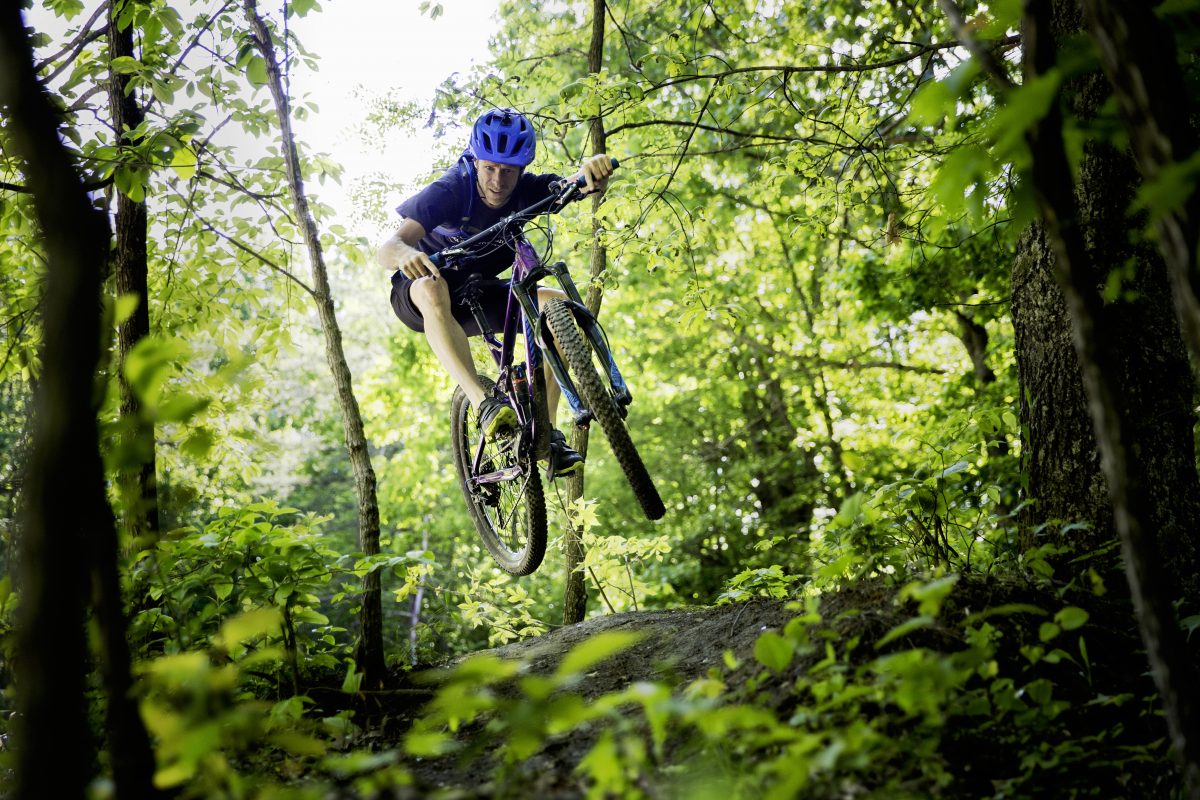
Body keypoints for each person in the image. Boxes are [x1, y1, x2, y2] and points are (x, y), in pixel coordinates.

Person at [378, 107, 615, 478]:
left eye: (508, 171)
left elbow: (577, 184)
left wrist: (594, 171)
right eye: (489, 168)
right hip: (420, 294)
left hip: (478, 293)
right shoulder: (452, 189)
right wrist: (407, 254)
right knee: (431, 287)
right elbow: (388, 247)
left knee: (557, 304)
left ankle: (547, 435)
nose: (497, 180)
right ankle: (482, 402)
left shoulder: (526, 191)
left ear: (521, 169)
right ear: (476, 161)